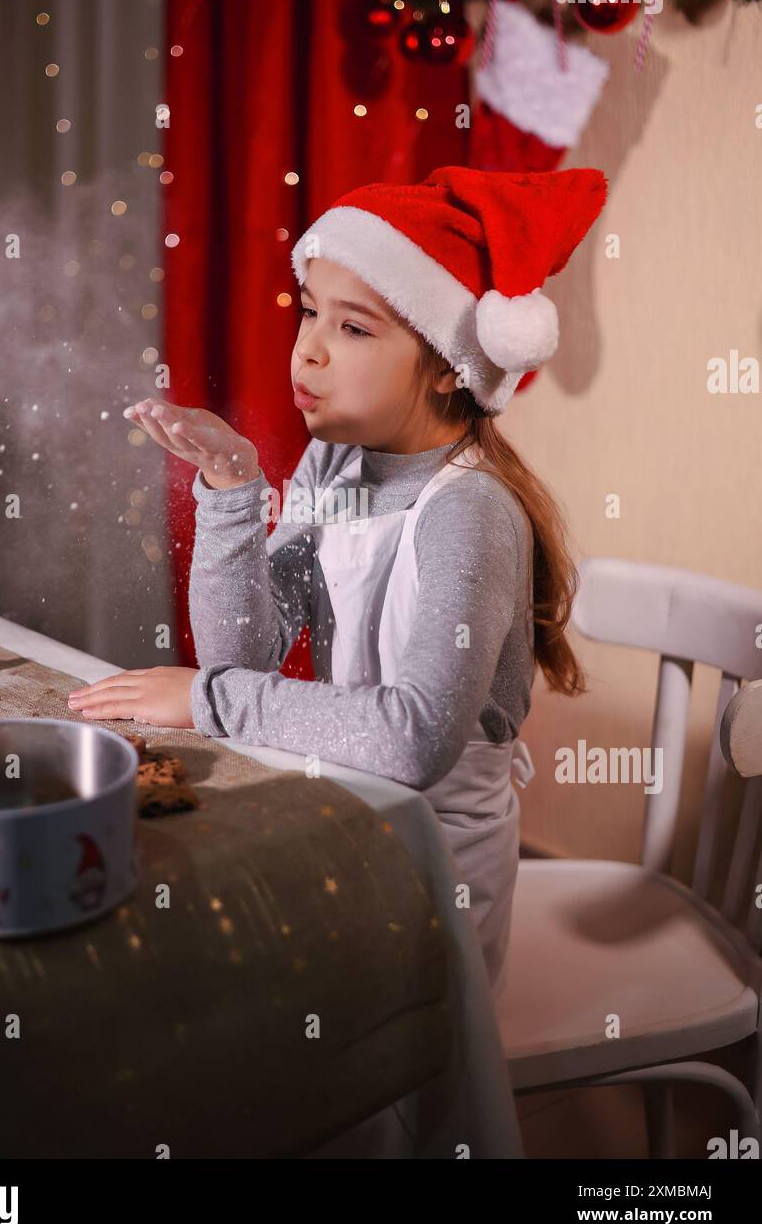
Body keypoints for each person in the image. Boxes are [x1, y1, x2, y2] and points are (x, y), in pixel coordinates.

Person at [69, 164, 608, 994]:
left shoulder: (466, 511)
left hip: (433, 875)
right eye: (310, 313)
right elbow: (245, 649)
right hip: (353, 819)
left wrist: (206, 699)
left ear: (444, 366)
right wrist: (230, 489)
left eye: (354, 329)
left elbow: (414, 739)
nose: (309, 348)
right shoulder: (336, 467)